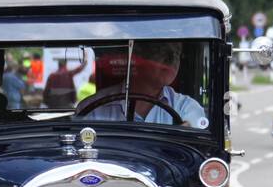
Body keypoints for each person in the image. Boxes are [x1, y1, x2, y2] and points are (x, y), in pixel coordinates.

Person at [79, 40, 207, 126]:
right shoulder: (92, 109)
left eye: (177, 52)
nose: (171, 59)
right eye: (161, 50)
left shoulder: (186, 108)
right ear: (136, 57)